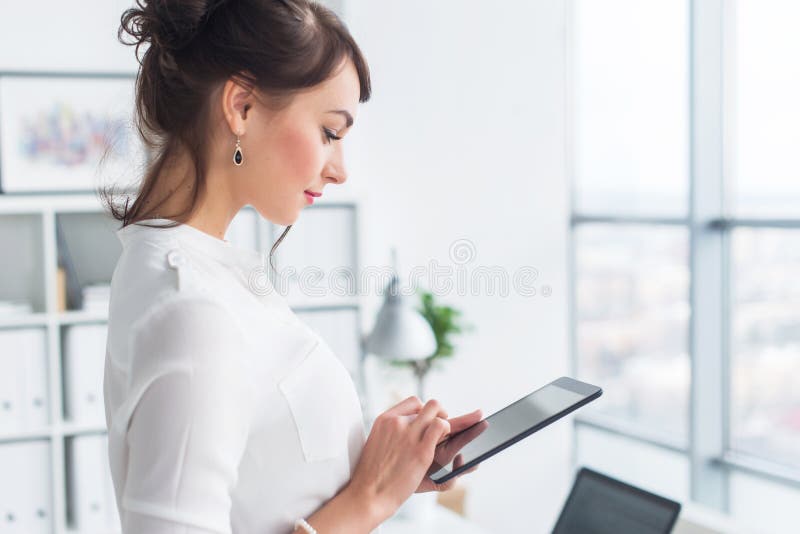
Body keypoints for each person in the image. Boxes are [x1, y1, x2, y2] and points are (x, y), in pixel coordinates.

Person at [99, 1, 482, 533]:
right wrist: (367, 500)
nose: (340, 170)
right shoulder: (192, 308)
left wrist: (382, 472)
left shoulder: (190, 267)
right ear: (242, 107)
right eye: (330, 131)